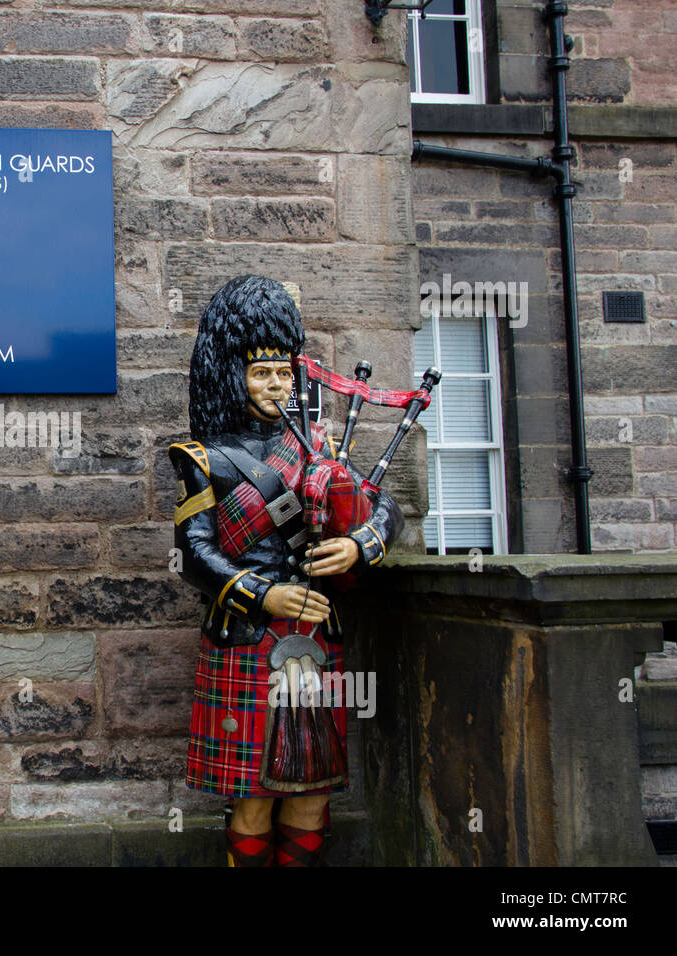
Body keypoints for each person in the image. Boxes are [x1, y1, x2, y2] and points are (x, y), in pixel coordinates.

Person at [168, 275, 403, 867]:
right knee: (251, 802)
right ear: (233, 375)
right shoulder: (204, 458)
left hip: (316, 641)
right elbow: (193, 552)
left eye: (282, 373)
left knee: (309, 798)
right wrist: (264, 596)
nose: (275, 386)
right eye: (260, 373)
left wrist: (361, 546)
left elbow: (385, 507)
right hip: (246, 637)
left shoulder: (319, 446)